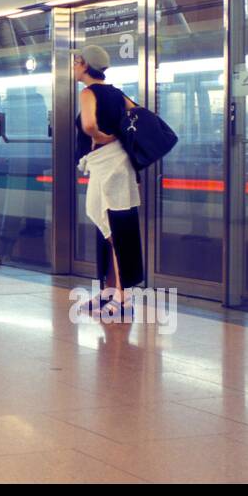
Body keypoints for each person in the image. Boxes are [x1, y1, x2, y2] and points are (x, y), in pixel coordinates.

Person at [74, 44, 143, 318]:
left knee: (112, 228)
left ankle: (123, 297)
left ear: (83, 64)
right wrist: (119, 134)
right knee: (112, 223)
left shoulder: (88, 93)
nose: (74, 67)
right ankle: (109, 290)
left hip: (106, 164)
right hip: (120, 164)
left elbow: (89, 125)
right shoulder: (117, 94)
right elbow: (138, 112)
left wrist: (103, 137)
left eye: (76, 62)